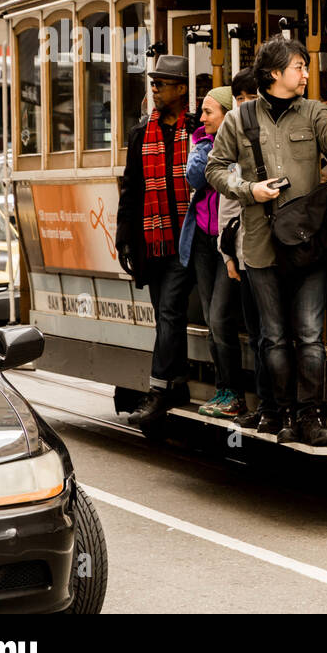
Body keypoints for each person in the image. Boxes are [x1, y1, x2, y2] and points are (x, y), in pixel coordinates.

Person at [206, 37, 327, 447]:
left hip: (308, 242)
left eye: (306, 68)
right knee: (272, 335)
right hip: (260, 241)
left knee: (308, 334)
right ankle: (283, 413)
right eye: (299, 67)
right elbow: (214, 171)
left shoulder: (314, 112)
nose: (306, 74)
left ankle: (310, 416)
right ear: (274, 74)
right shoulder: (239, 119)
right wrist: (250, 190)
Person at [116, 55, 198, 427]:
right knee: (166, 317)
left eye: (161, 84)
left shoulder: (195, 128)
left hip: (189, 237)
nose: (155, 89)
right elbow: (131, 189)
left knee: (169, 312)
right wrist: (125, 241)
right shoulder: (140, 133)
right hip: (153, 239)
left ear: (181, 89)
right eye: (153, 83)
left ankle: (159, 391)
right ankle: (176, 383)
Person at [179, 84, 245, 419]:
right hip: (204, 241)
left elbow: (210, 176)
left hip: (228, 243)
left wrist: (213, 148)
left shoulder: (237, 144)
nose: (201, 117)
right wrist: (206, 143)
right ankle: (223, 390)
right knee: (210, 319)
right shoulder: (201, 142)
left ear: (226, 113)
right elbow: (193, 177)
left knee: (221, 316)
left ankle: (234, 393)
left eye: (208, 112)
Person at [217, 69, 275, 430]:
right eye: (241, 98)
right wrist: (228, 255)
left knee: (271, 334)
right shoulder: (236, 136)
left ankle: (276, 406)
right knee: (259, 334)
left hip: (274, 251)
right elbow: (227, 202)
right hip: (246, 249)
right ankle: (267, 404)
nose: (246, 105)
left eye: (252, 97)